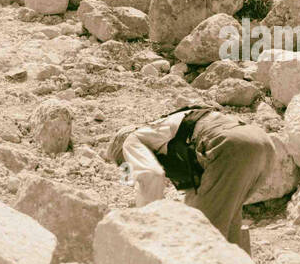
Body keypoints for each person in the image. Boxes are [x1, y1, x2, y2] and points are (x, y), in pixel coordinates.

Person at [106, 105, 275, 253]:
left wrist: (146, 229)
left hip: (229, 147)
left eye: (126, 164)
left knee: (203, 237)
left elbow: (150, 176)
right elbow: (196, 195)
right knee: (227, 228)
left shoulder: (132, 140)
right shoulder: (167, 134)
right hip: (263, 145)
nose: (129, 170)